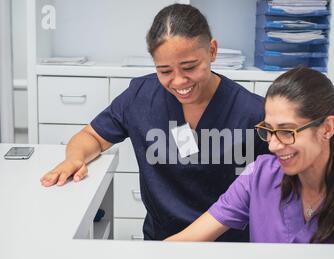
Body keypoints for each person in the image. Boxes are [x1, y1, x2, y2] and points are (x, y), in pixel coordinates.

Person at [40, 4, 267, 241]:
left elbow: (278, 189)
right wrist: (75, 157)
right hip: (161, 243)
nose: (179, 81)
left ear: (211, 51)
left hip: (230, 248)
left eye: (189, 67)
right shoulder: (141, 98)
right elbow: (92, 136)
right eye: (165, 70)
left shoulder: (252, 113)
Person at [166, 66, 334, 244]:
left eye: (287, 132)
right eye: (268, 130)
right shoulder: (261, 175)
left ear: (327, 128)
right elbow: (186, 241)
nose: (273, 146)